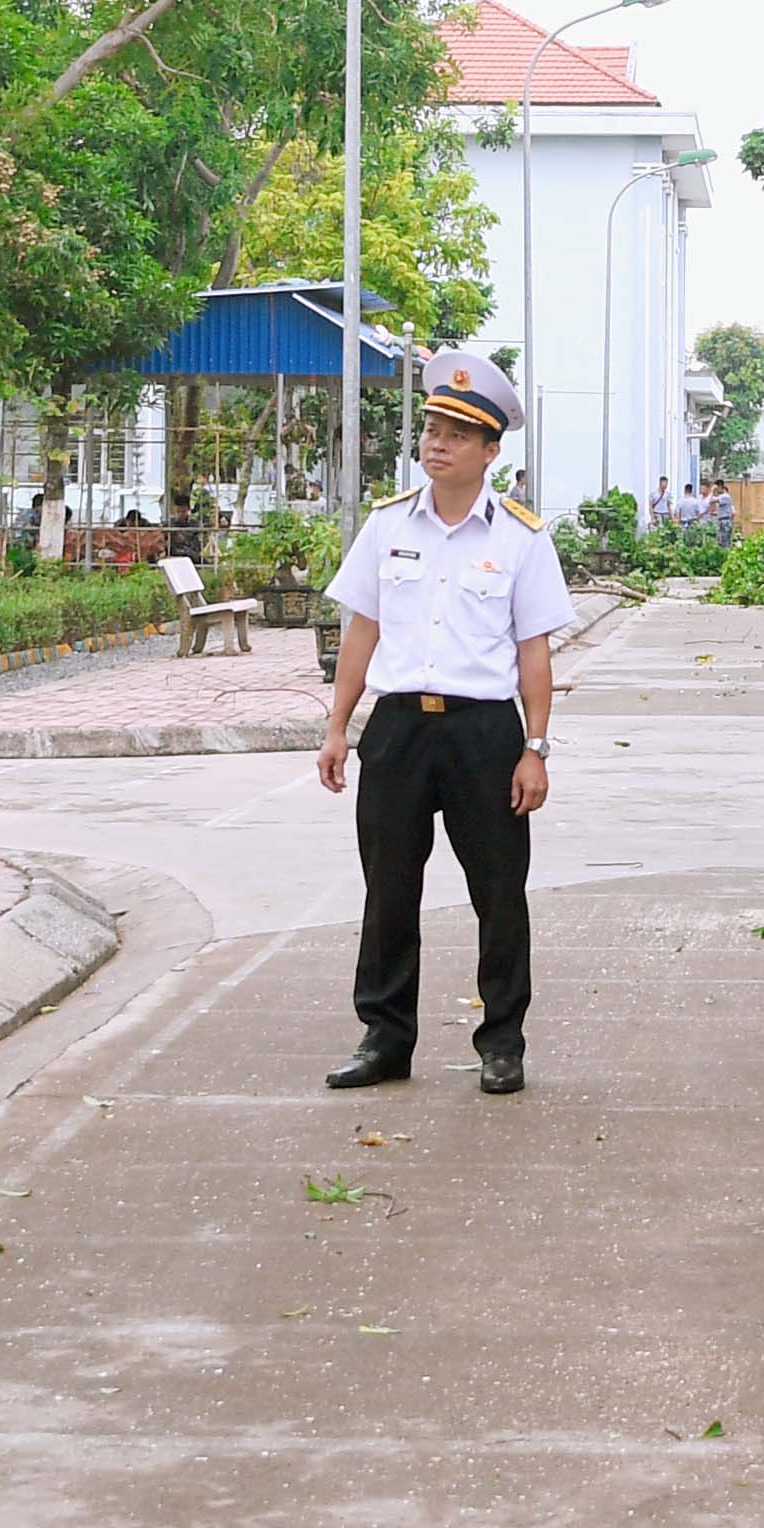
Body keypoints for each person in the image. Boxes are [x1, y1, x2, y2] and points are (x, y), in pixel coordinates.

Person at [317, 352, 574, 1097]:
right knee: (387, 889)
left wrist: (535, 749)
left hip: (483, 733)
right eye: (432, 427)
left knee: (498, 891)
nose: (437, 443)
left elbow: (534, 654)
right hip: (398, 729)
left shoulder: (520, 538)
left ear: (490, 452)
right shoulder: (388, 525)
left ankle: (502, 1042)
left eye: (458, 433)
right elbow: (361, 631)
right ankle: (385, 1038)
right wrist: (338, 726)